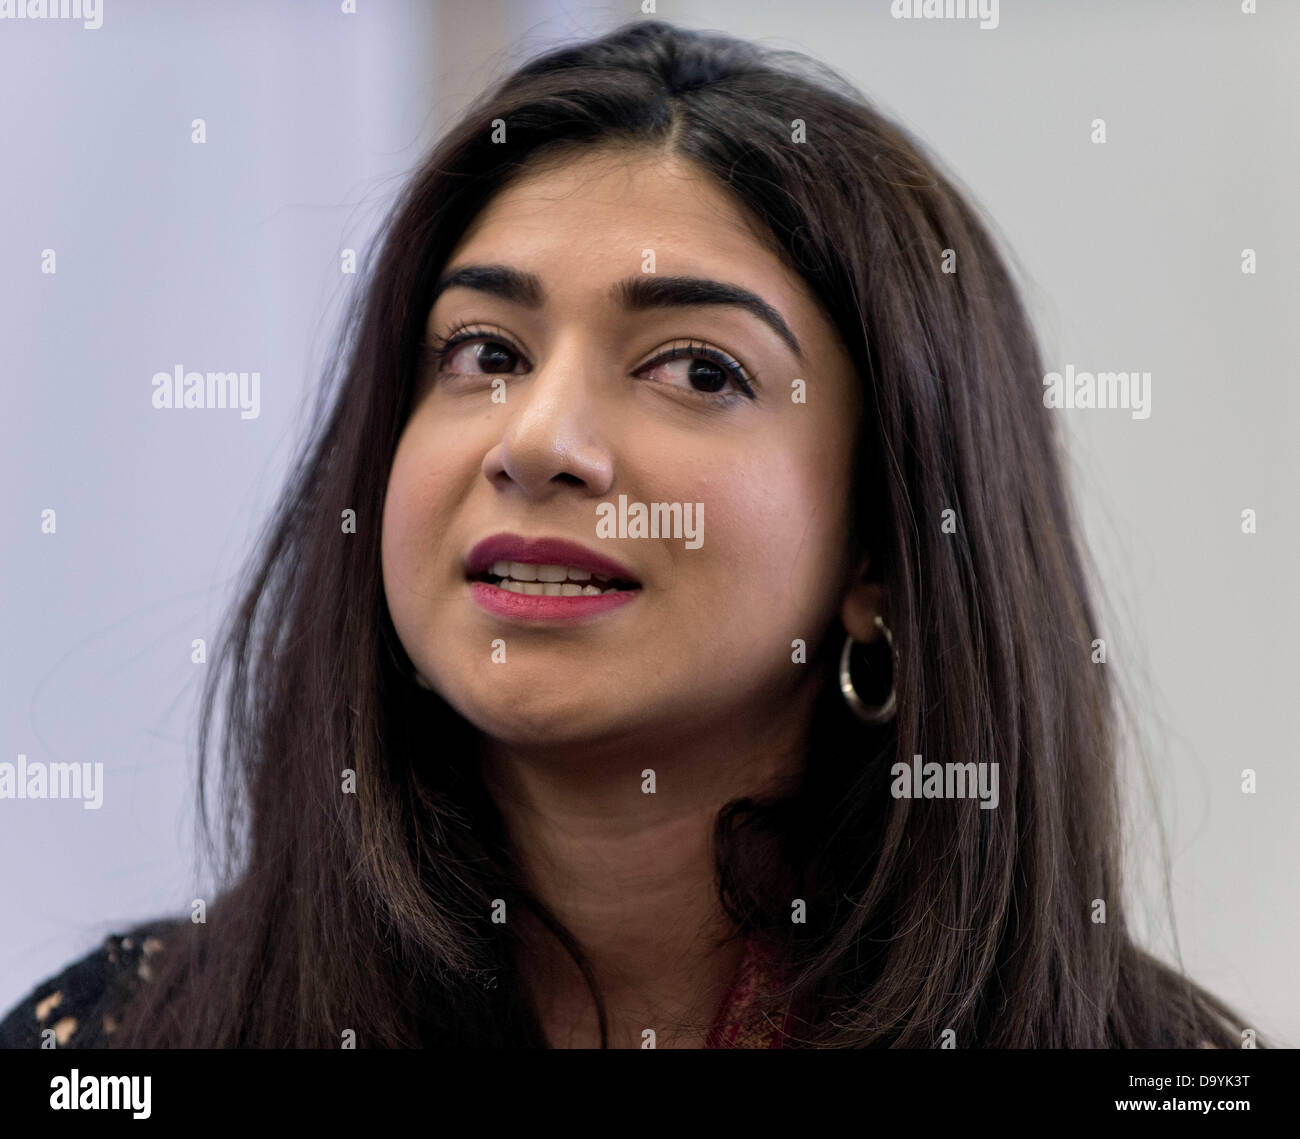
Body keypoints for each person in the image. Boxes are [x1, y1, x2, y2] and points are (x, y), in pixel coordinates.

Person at [0, 18, 1255, 1049]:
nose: (537, 439)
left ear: (881, 551)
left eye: (697, 369)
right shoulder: (118, 1042)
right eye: (484, 351)